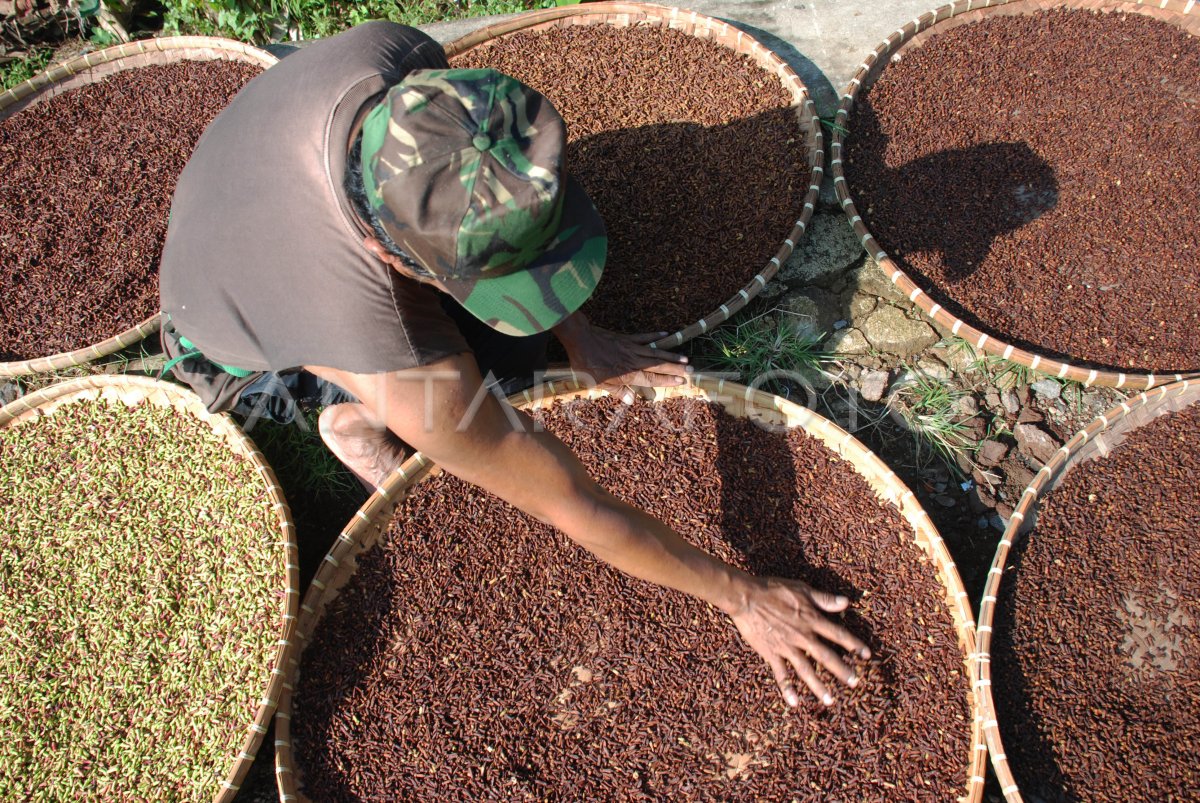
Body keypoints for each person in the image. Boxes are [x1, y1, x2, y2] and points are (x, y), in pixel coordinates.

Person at [158, 20, 868, 708]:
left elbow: (500, 214)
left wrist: (583, 337)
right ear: (386, 254)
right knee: (495, 379)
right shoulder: (364, 319)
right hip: (224, 333)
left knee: (519, 333)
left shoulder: (398, 55)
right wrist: (742, 596)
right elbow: (566, 498)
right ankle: (348, 417)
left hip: (247, 198)